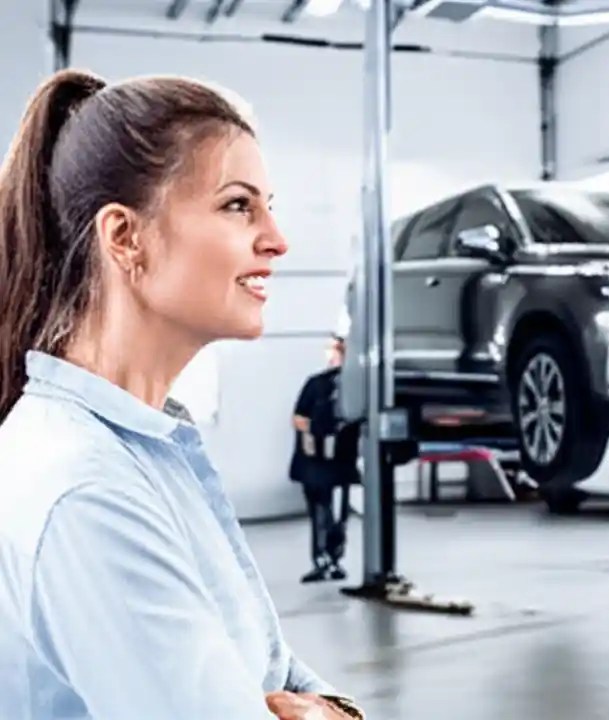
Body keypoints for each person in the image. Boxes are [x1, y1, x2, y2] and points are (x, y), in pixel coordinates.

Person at [0, 69, 362, 719]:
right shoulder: (86, 490)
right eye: (237, 205)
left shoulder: (146, 444)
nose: (277, 240)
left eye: (268, 205)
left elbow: (274, 670)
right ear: (125, 237)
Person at [290, 334, 359, 583]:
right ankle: (321, 560)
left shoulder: (355, 389)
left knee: (339, 514)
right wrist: (316, 431)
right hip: (314, 464)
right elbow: (297, 417)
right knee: (319, 511)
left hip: (340, 463)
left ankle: (334, 558)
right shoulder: (316, 384)